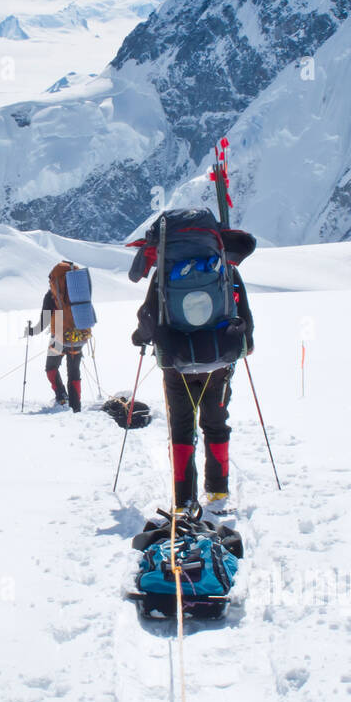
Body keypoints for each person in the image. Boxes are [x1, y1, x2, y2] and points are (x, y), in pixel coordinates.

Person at [130, 212, 255, 514]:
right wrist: (244, 343)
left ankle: (184, 501)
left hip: (176, 361)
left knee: (182, 427)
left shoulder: (163, 272)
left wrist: (140, 337)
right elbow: (243, 312)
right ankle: (217, 491)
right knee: (216, 424)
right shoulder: (226, 269)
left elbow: (149, 315)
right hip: (219, 359)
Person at [24, 265, 87, 413]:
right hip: (79, 333)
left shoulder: (52, 295)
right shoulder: (79, 292)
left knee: (51, 368)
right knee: (74, 371)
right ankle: (75, 406)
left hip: (59, 333)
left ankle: (62, 397)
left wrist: (32, 331)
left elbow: (44, 321)